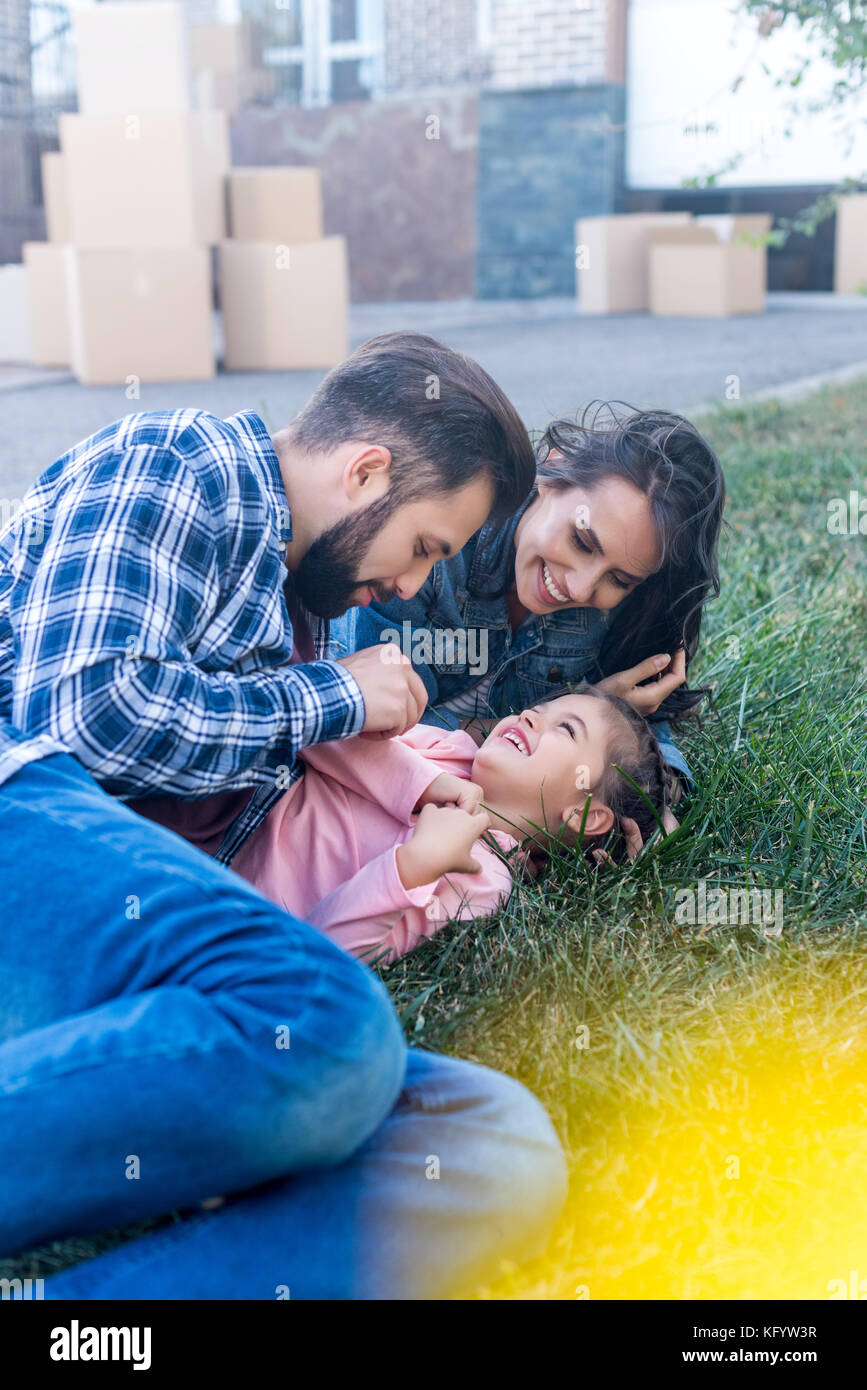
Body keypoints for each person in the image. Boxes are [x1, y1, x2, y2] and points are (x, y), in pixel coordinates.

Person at [0, 333, 567, 1299]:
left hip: (110, 960)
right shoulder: (185, 464)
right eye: (424, 546)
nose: (411, 585)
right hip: (25, 813)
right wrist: (333, 698)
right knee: (320, 1021)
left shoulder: (312, 613)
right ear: (365, 471)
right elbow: (81, 715)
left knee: (488, 1139)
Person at [326, 405, 726, 787]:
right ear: (552, 471)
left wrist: (654, 787)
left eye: (619, 578)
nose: (581, 587)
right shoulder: (431, 553)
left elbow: (643, 720)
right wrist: (583, 711)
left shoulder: (616, 605)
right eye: (582, 541)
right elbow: (378, 737)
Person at [136, 688, 674, 966]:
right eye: (542, 706)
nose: (533, 715)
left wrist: (411, 866)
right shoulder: (449, 748)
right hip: (211, 790)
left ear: (585, 815)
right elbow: (317, 734)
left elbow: (329, 952)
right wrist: (419, 783)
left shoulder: (479, 878)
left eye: (565, 728)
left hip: (213, 893)